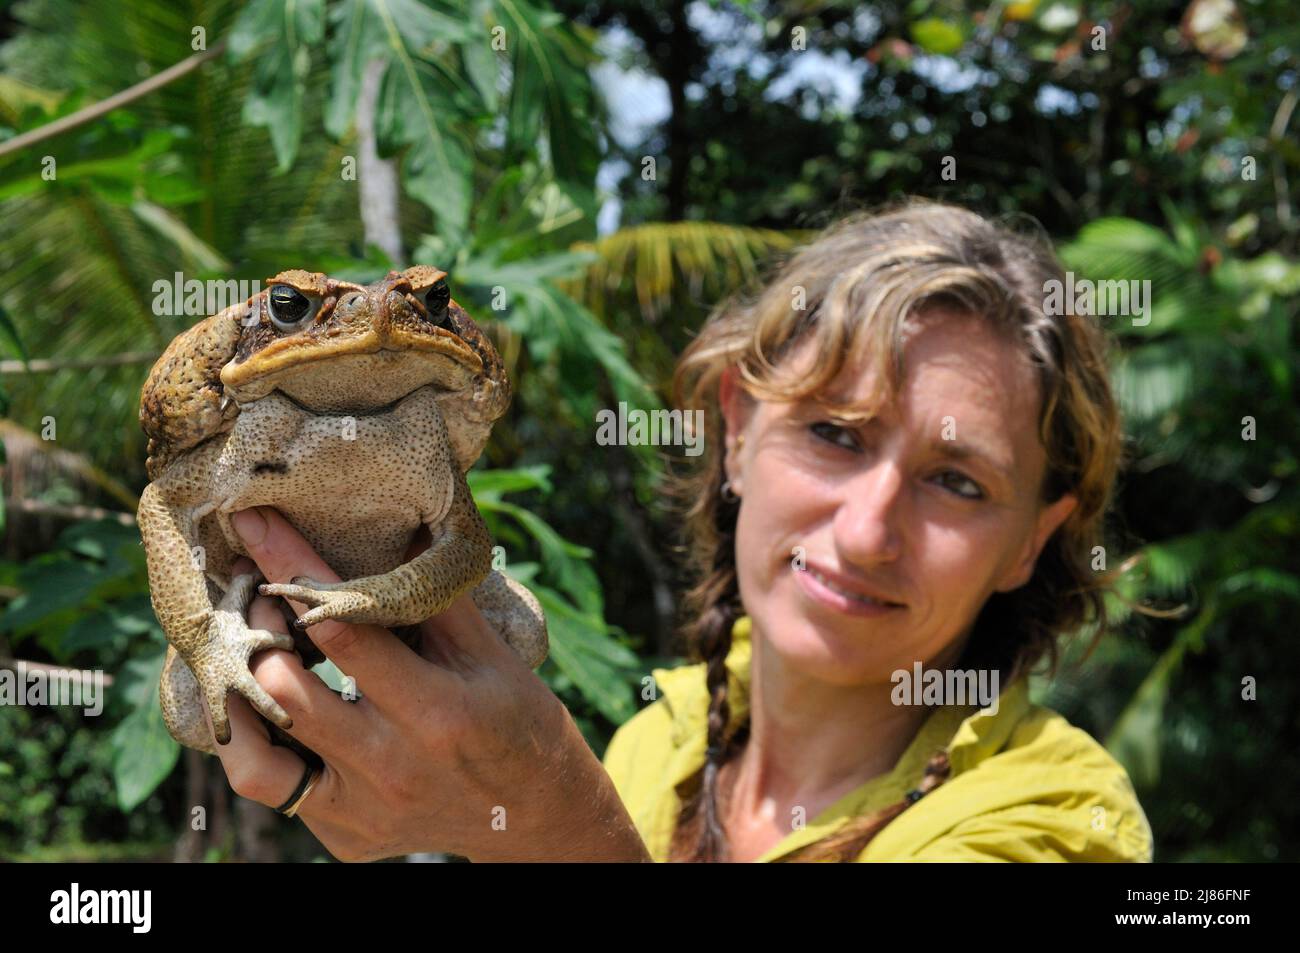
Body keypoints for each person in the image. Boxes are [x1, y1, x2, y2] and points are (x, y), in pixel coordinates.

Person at [210, 200, 1155, 862]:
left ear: (1034, 540)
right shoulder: (651, 749)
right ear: (737, 430)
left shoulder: (1059, 819)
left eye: (956, 482)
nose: (868, 532)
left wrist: (546, 824)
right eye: (834, 433)